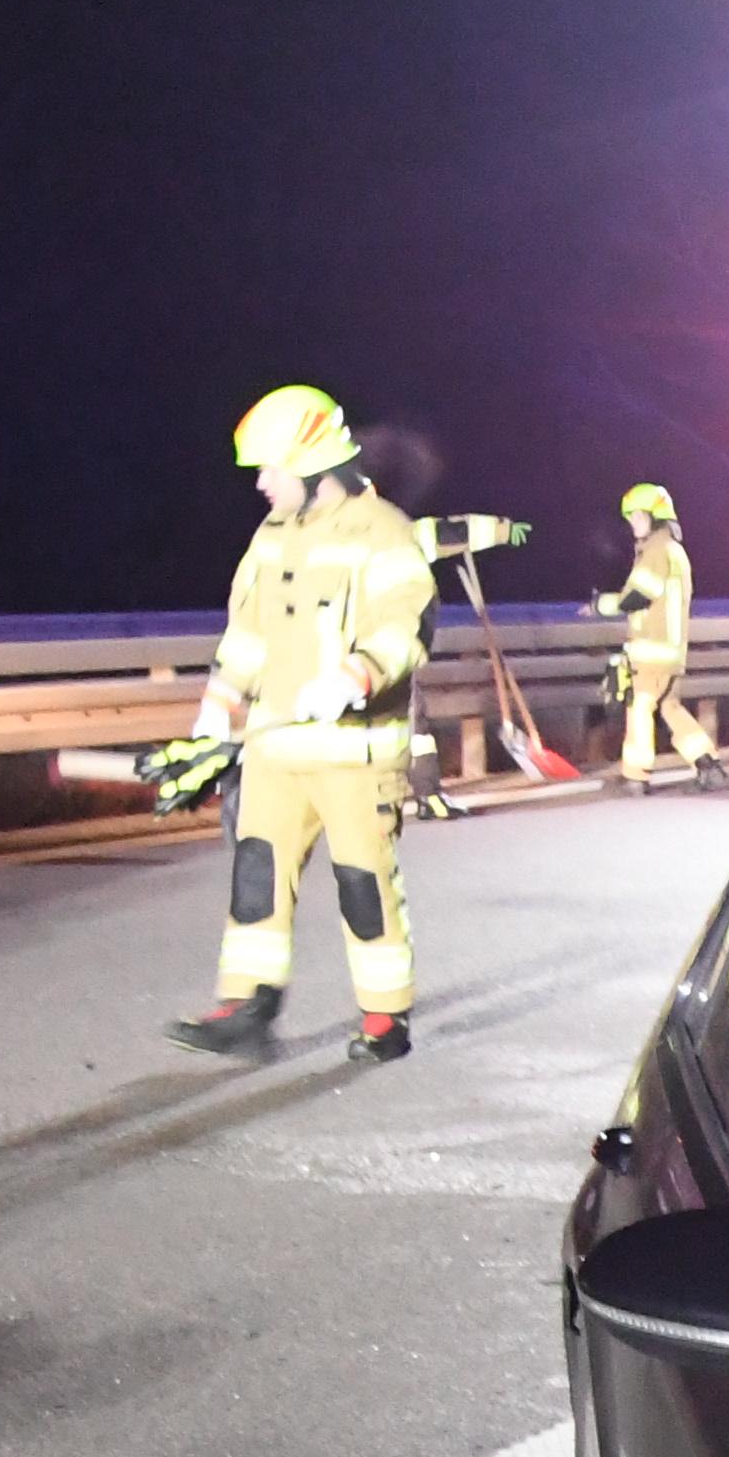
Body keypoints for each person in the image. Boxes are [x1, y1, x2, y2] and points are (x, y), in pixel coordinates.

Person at [170, 384, 436, 1063]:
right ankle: (246, 1005)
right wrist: (217, 707)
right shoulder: (270, 539)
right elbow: (248, 635)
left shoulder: (383, 534)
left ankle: (385, 1019)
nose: (260, 484)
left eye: (270, 469)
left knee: (363, 885)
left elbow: (404, 628)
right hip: (275, 749)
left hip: (356, 752)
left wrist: (354, 678)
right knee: (256, 875)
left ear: (313, 467)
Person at [588, 483, 716, 782]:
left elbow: (637, 596)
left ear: (655, 517)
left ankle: (636, 774)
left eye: (638, 516)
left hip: (653, 651)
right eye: (630, 517)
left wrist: (599, 604)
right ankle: (707, 761)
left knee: (640, 705)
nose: (633, 523)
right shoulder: (672, 550)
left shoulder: (657, 550)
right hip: (670, 651)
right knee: (670, 707)